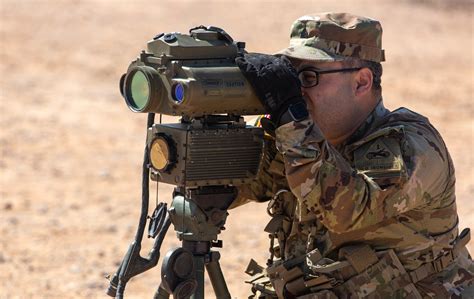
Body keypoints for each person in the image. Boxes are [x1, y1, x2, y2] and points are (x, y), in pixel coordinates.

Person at [233, 12, 474, 298]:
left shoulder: (411, 143)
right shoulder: (300, 137)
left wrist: (291, 114)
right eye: (289, 76)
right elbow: (236, 185)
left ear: (361, 81)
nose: (296, 91)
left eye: (308, 77)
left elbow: (346, 208)